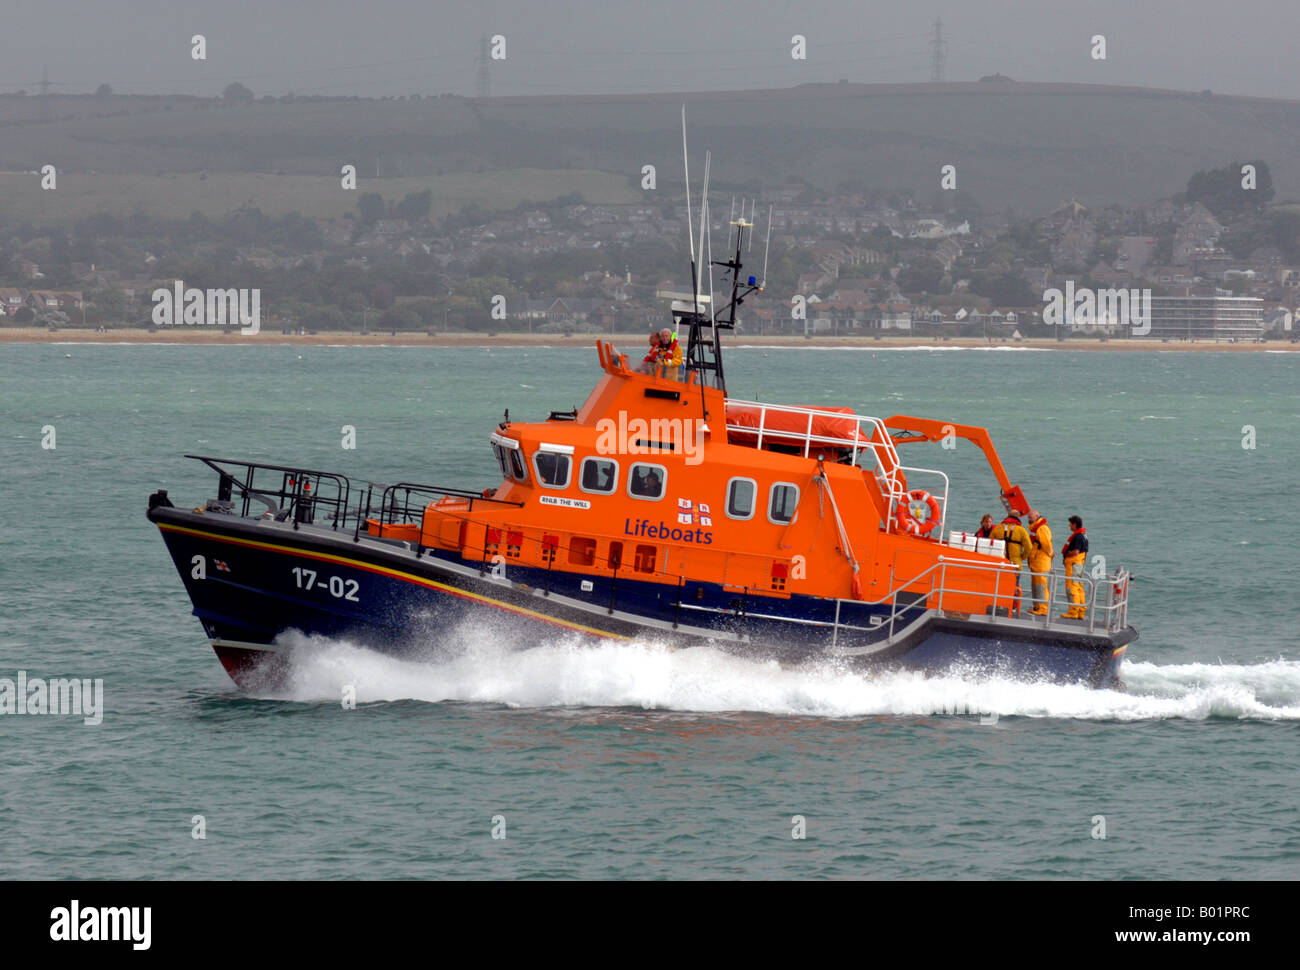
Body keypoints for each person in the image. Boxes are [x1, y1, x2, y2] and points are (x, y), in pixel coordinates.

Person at [990, 512, 1032, 615]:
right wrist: (1022, 557)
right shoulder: (1021, 530)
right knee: (1014, 586)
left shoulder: (998, 528)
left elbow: (989, 543)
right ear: (1018, 518)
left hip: (1000, 563)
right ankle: (1012, 607)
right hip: (1015, 564)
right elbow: (1029, 547)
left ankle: (997, 604)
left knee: (999, 586)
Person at [1025, 509, 1053, 616]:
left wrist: (1050, 554)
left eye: (1030, 517)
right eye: (1028, 517)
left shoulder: (1042, 528)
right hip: (1036, 562)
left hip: (1041, 562)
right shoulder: (1036, 528)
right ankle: (1037, 607)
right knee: (1036, 586)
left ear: (1037, 516)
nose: (1029, 519)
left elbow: (1046, 544)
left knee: (1041, 585)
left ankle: (1043, 608)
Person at [1060, 515, 1089, 619]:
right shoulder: (1084, 536)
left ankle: (1073, 612)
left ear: (1075, 524)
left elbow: (1076, 552)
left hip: (1073, 565)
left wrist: (1067, 554)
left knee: (1072, 588)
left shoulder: (1077, 537)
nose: (1069, 526)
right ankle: (1081, 612)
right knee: (1079, 588)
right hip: (1080, 565)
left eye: (1070, 524)